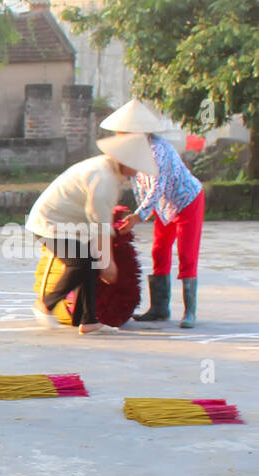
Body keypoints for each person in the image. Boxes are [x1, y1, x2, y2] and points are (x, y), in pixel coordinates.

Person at [27, 134, 159, 335]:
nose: (139, 169)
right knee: (82, 262)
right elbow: (100, 225)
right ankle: (46, 303)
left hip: (73, 224)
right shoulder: (104, 178)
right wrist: (109, 262)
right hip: (50, 223)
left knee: (90, 262)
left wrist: (103, 259)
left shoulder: (110, 172)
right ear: (125, 161)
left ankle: (89, 320)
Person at [100, 99, 207, 328]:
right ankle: (160, 308)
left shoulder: (160, 150)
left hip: (187, 201)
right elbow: (129, 182)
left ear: (137, 132)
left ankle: (190, 312)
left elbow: (158, 186)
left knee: (187, 254)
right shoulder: (130, 154)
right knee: (159, 250)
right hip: (163, 207)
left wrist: (138, 216)